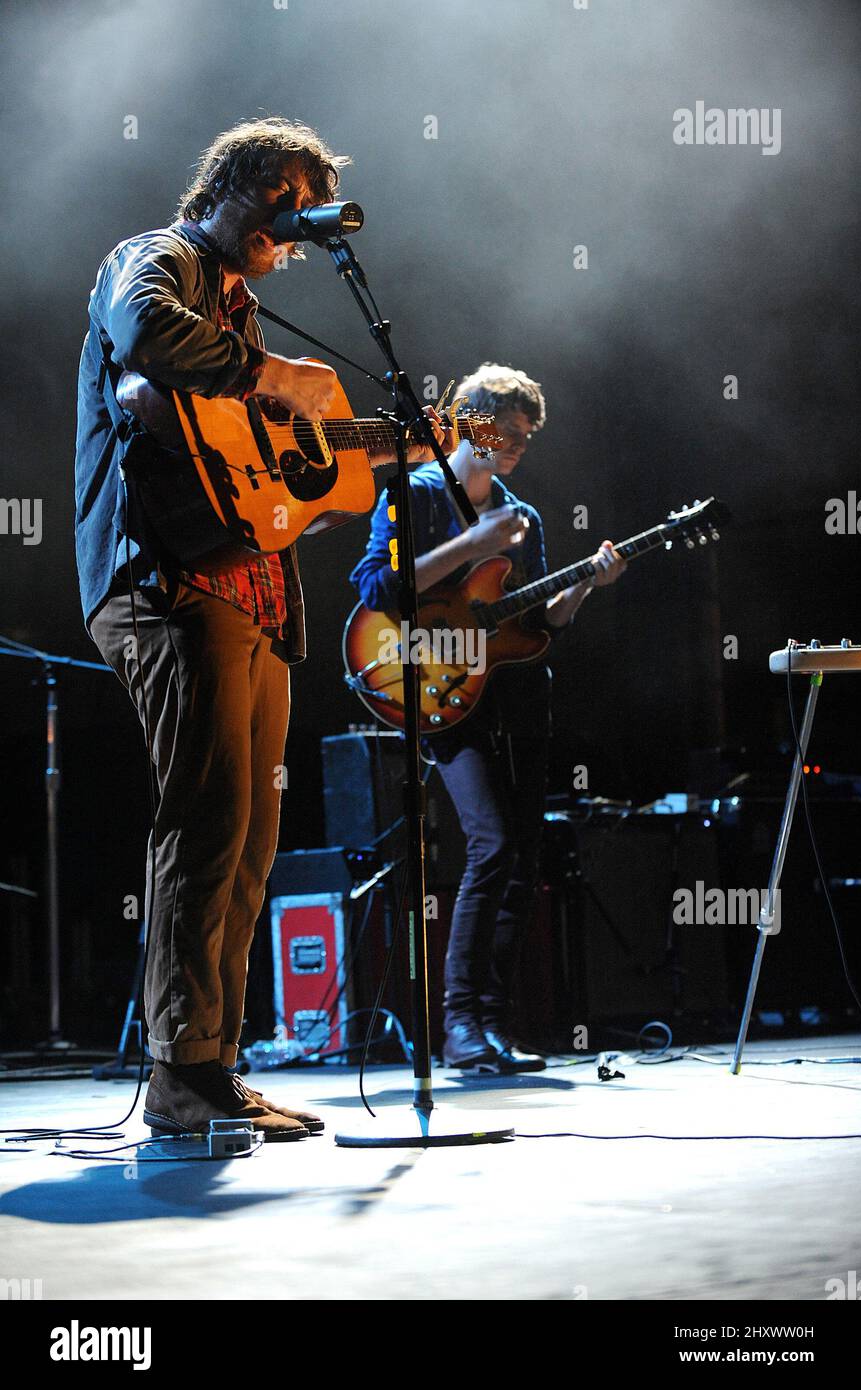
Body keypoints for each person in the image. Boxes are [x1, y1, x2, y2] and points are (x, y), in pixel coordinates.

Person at [75, 117, 446, 1139]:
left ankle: (216, 1064)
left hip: (253, 596)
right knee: (205, 822)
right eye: (281, 203)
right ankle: (180, 1075)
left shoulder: (238, 308)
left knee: (249, 840)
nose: (290, 232)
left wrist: (381, 444)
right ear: (229, 183)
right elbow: (145, 338)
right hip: (166, 580)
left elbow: (277, 473)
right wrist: (274, 376)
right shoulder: (159, 258)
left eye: (302, 217)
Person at [350, 364, 626, 1071]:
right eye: (503, 434)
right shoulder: (412, 493)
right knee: (491, 843)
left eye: (524, 440)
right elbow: (380, 587)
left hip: (509, 691)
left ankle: (489, 1029)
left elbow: (535, 626)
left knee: (523, 856)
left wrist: (584, 588)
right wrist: (474, 546)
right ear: (466, 422)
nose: (512, 448)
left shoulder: (521, 516)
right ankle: (460, 1025)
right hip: (434, 685)